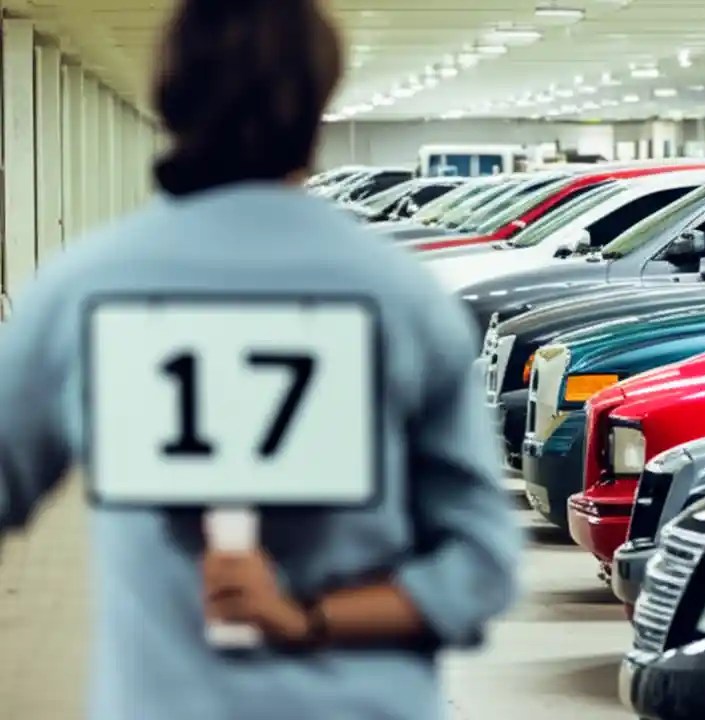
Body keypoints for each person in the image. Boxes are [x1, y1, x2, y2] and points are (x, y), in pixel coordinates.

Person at [0, 1, 521, 719]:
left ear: (169, 95)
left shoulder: (83, 290)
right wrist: (306, 617)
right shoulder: (403, 298)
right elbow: (482, 565)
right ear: (317, 103)